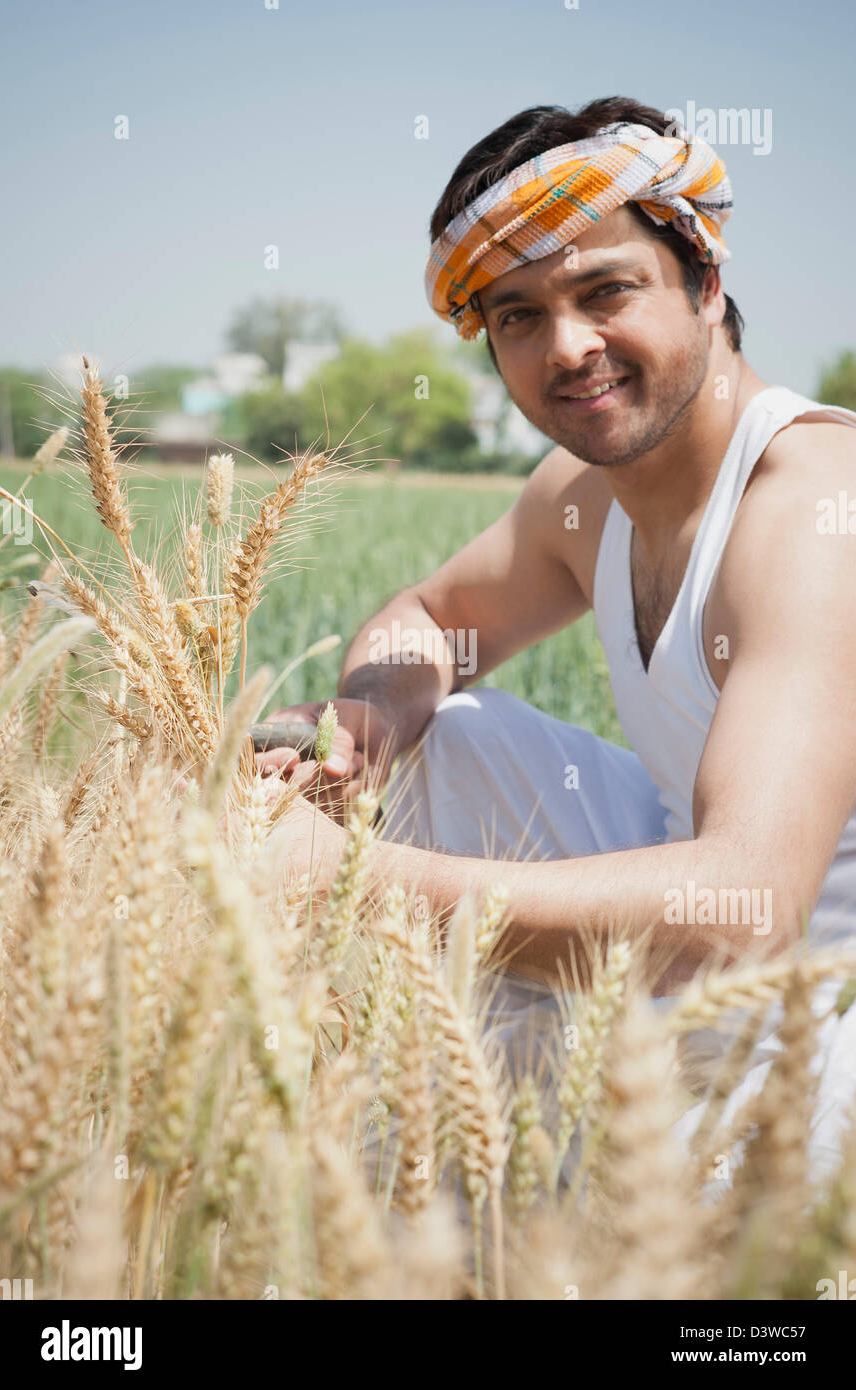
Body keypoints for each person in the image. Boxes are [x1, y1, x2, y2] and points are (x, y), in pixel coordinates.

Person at [256, 96, 856, 1180]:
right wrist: (372, 721)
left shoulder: (814, 506)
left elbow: (749, 909)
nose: (569, 348)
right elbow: (432, 621)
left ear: (705, 281)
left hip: (822, 1027)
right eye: (518, 315)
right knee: (451, 732)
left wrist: (335, 875)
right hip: (693, 983)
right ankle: (441, 1228)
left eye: (605, 289)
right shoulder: (587, 497)